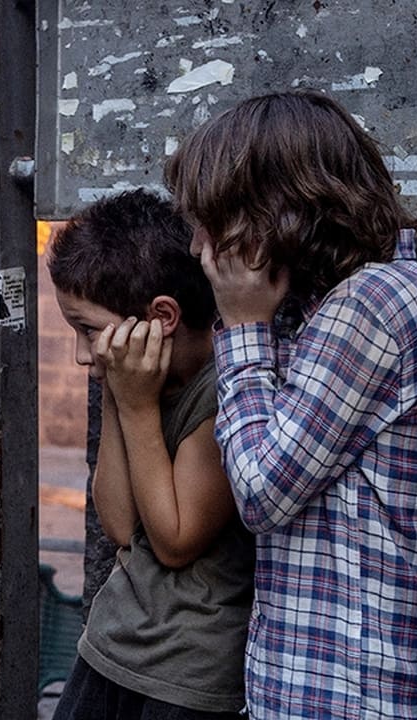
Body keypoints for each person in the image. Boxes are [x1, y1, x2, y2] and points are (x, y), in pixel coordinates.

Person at [164, 90, 417, 719]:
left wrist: (243, 326)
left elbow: (261, 492)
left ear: (274, 213)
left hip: (357, 691)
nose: (198, 246)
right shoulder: (333, 304)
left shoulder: (372, 302)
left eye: (212, 222)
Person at [47, 189, 254, 719]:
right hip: (112, 647)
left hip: (188, 672)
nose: (81, 354)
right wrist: (119, 396)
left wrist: (137, 407)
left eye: (88, 330)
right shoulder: (138, 383)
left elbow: (175, 540)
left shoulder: (224, 391)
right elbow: (119, 525)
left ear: (161, 316)